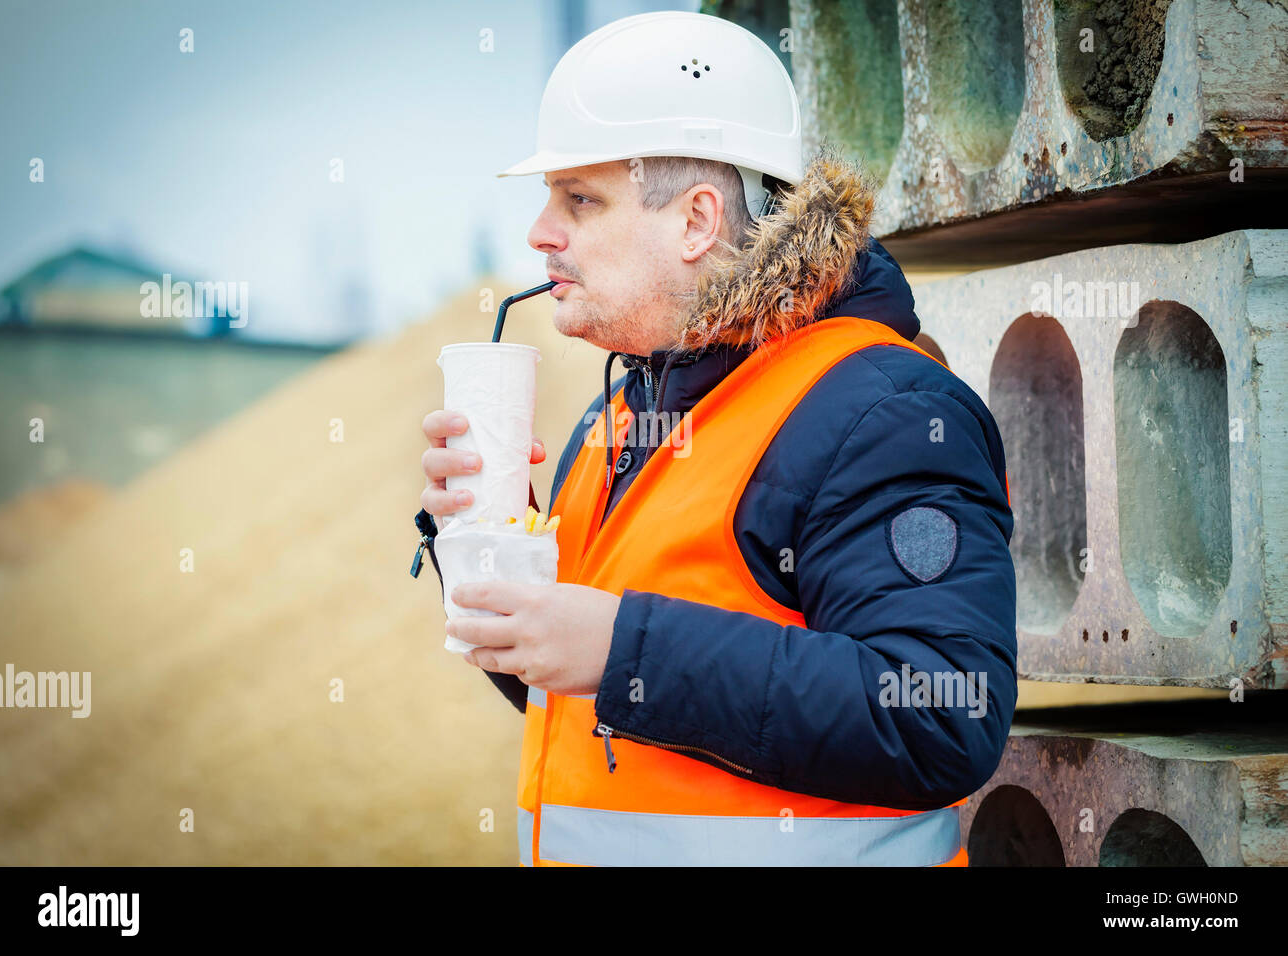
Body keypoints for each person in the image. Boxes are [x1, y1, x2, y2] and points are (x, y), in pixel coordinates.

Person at [413, 10, 1016, 866]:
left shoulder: (882, 412)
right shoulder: (624, 413)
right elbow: (597, 709)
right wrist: (484, 545)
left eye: (579, 199)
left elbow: (940, 716)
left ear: (697, 220)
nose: (539, 232)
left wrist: (622, 646)